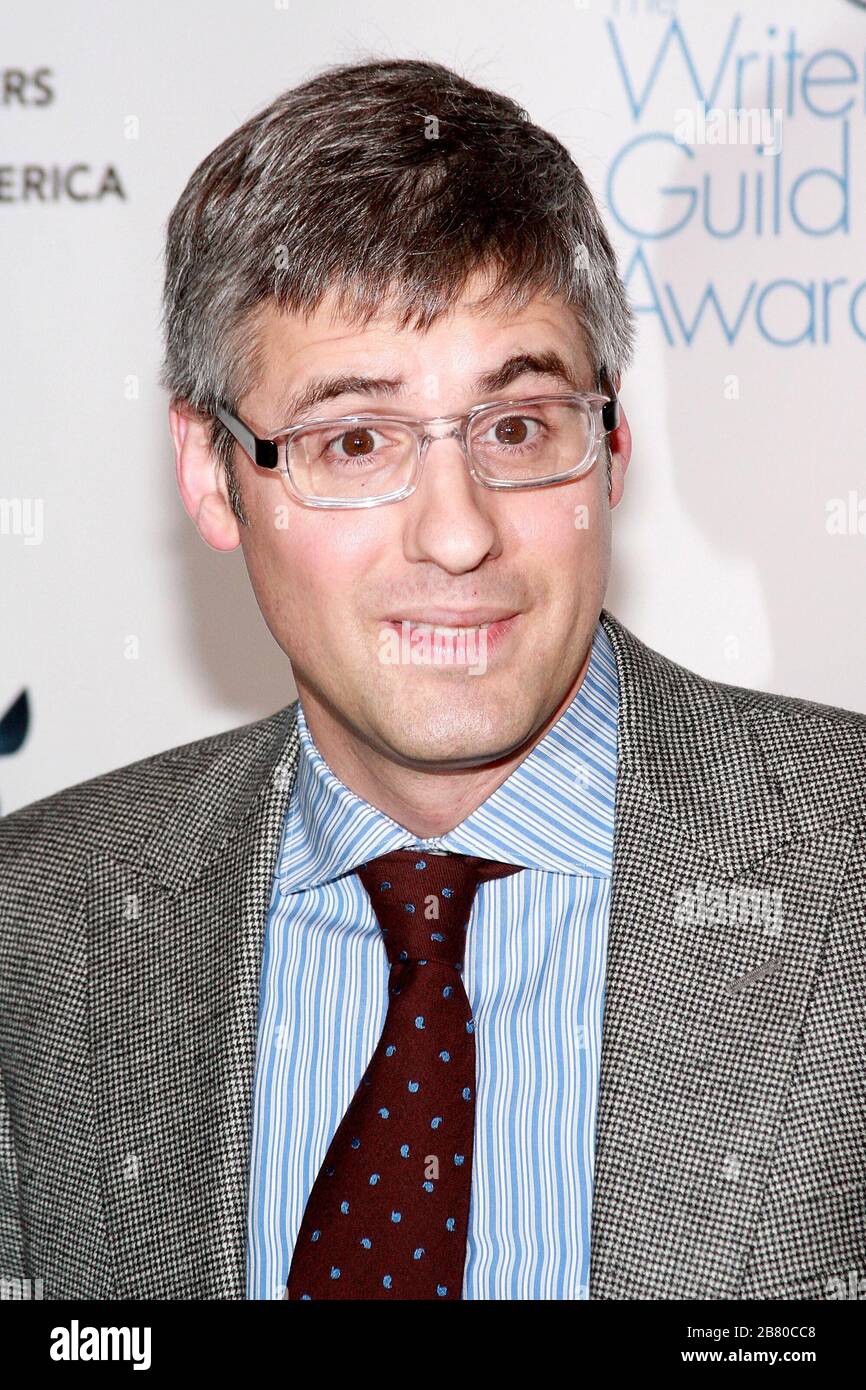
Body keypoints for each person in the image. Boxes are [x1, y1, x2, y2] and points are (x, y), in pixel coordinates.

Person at [1, 57, 864, 1303]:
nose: (455, 535)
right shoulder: (38, 929)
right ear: (208, 470)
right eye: (352, 441)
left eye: (516, 428)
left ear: (611, 441)